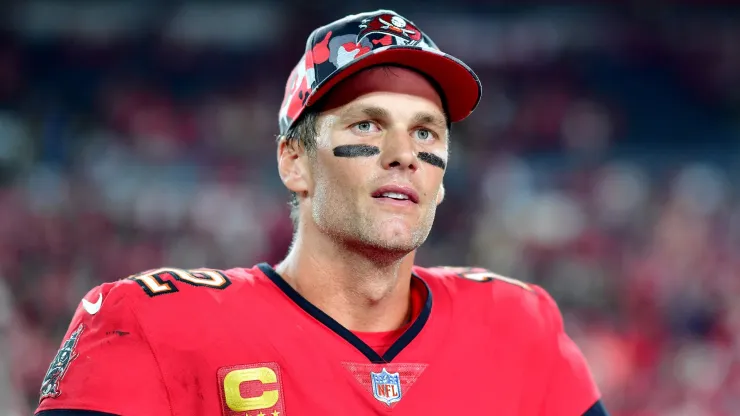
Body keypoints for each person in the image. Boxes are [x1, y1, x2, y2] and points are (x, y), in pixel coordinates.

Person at [35, 9, 609, 416]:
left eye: (425, 131)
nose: (404, 154)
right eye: (367, 124)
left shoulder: (521, 325)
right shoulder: (150, 322)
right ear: (294, 162)